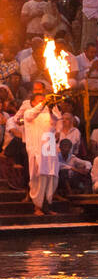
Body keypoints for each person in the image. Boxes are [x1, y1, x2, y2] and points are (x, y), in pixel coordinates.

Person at [17, 81, 61, 215]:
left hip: (49, 148)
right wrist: (44, 103)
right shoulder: (29, 113)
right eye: (40, 100)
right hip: (37, 149)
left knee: (52, 176)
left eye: (44, 99)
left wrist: (51, 106)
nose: (44, 101)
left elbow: (56, 121)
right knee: (38, 177)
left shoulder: (49, 113)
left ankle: (48, 205)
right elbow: (32, 115)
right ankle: (37, 207)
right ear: (34, 102)